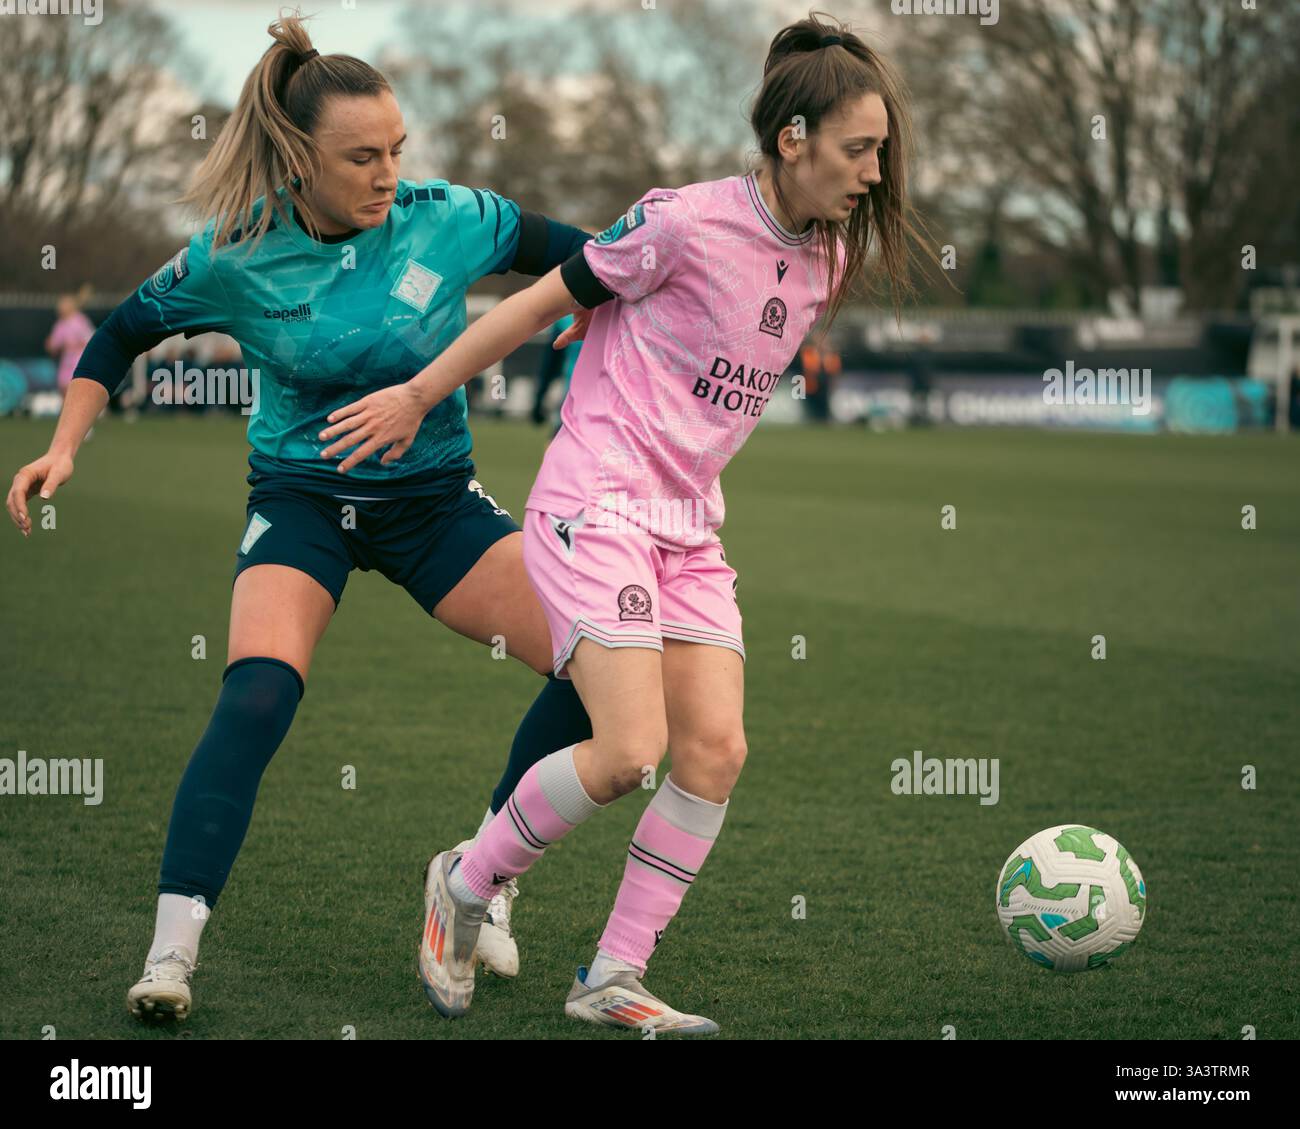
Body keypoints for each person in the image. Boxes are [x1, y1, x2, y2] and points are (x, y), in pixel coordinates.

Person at [319, 14, 929, 1034]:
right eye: (859, 148)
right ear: (794, 137)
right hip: (595, 501)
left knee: (716, 750)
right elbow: (528, 307)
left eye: (881, 152)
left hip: (686, 527)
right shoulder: (680, 222)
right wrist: (419, 394)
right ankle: (462, 885)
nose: (875, 171)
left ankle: (609, 975)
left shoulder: (821, 263)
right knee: (626, 747)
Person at [6, 14, 597, 1020]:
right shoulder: (237, 254)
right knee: (257, 697)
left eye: (396, 149)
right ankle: (171, 954)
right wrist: (65, 443)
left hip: (432, 505)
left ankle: (478, 873)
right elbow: (118, 337)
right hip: (302, 501)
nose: (387, 173)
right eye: (360, 156)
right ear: (297, 160)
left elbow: (595, 264)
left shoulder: (451, 217)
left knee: (601, 666)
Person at [45, 289, 95, 399]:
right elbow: (54, 344)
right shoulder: (60, 324)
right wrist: (52, 345)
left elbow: (90, 339)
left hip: (79, 358)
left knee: (77, 386)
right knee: (63, 386)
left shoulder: (80, 320)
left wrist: (75, 345)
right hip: (67, 359)